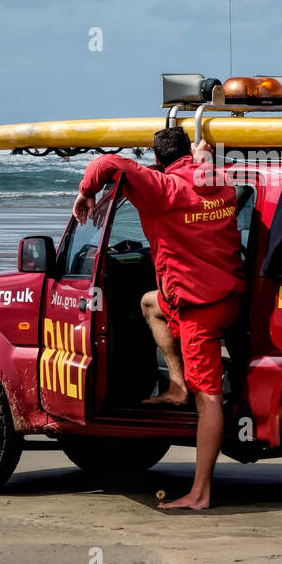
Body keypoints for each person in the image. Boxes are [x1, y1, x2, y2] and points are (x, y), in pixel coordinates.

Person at [73, 128, 245, 509]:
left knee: (210, 399)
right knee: (151, 304)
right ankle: (176, 385)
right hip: (225, 296)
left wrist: (86, 193)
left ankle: (200, 492)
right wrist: (201, 155)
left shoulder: (165, 190)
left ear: (160, 161)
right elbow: (197, 164)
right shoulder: (218, 180)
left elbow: (108, 163)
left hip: (199, 308)